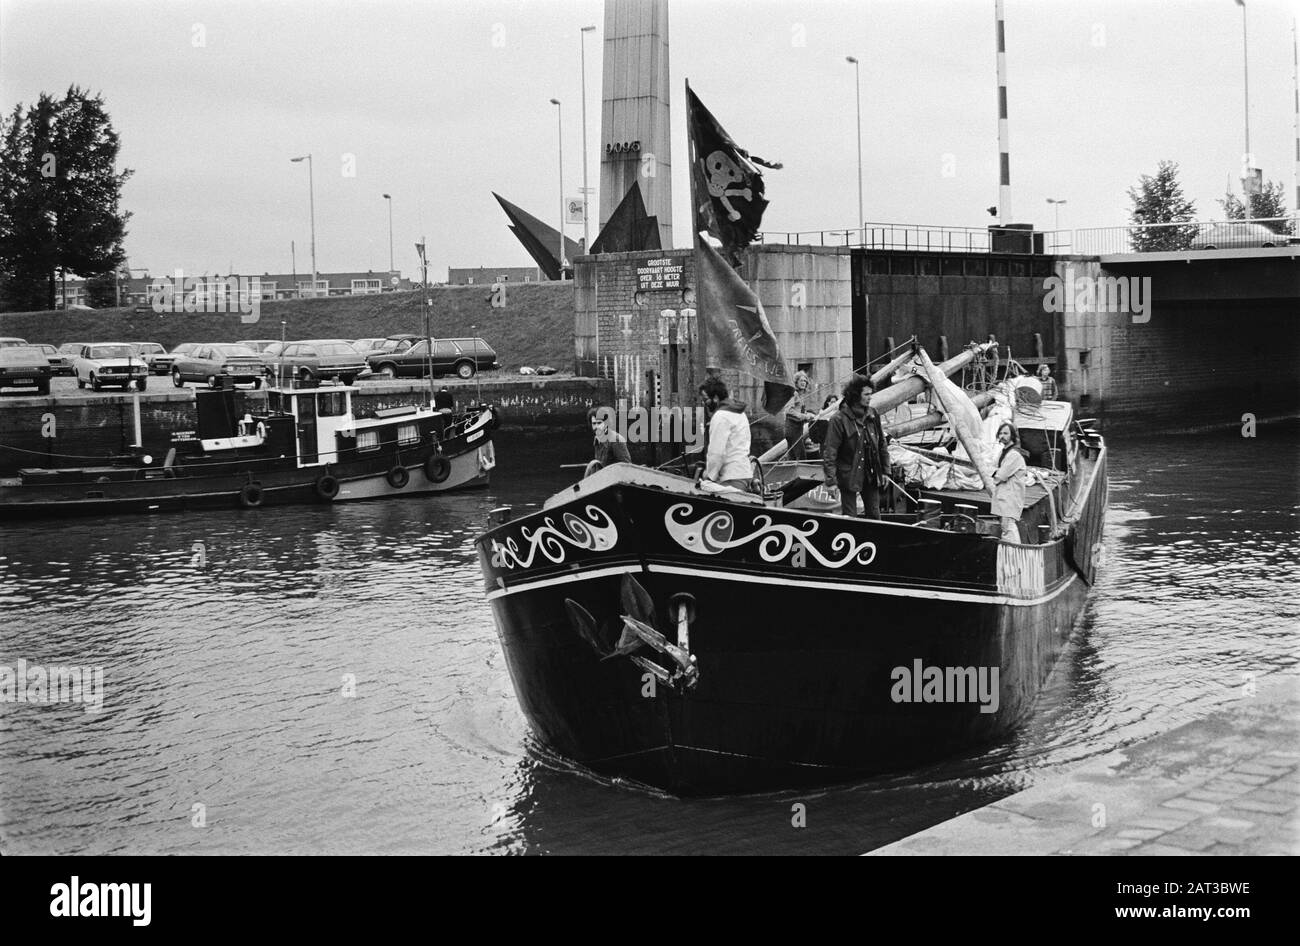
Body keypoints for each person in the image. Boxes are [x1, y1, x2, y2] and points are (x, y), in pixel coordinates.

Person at [822, 374, 889, 519]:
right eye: (866, 394)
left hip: (870, 472)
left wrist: (885, 471)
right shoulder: (838, 419)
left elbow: (882, 444)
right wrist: (831, 482)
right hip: (848, 474)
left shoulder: (873, 414)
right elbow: (830, 453)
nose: (870, 397)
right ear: (855, 395)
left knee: (875, 514)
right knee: (850, 518)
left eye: (871, 394)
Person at [699, 378, 752, 491]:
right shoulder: (740, 412)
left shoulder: (720, 416)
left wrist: (709, 475)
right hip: (744, 473)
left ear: (716, 398)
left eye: (705, 399)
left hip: (730, 477)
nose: (705, 404)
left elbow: (716, 452)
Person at [991, 421, 1028, 543]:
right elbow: (993, 466)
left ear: (1012, 435)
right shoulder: (1003, 452)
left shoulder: (1014, 455)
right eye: (1000, 433)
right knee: (1005, 526)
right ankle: (1010, 551)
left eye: (1006, 433)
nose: (1002, 436)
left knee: (1008, 526)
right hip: (1005, 496)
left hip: (1010, 496)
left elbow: (1000, 475)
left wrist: (992, 474)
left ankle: (1013, 551)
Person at [783, 370, 817, 459]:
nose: (803, 383)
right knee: (801, 456)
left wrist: (808, 415)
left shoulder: (800, 396)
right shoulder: (794, 394)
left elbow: (798, 411)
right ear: (796, 382)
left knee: (793, 456)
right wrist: (805, 416)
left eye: (805, 381)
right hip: (792, 428)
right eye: (801, 381)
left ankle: (790, 471)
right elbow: (788, 410)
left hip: (797, 429)